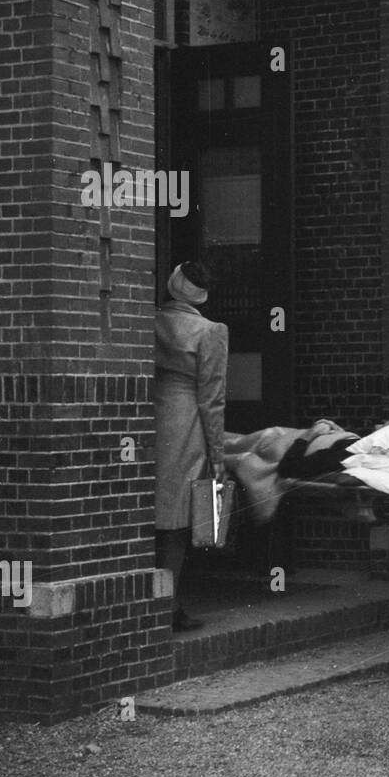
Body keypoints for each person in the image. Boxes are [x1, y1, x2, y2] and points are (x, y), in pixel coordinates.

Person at [154, 262, 228, 632]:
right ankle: (168, 605)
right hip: (187, 423)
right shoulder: (210, 331)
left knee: (154, 511)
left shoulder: (151, 320)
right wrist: (218, 457)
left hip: (153, 416)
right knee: (178, 523)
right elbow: (212, 399)